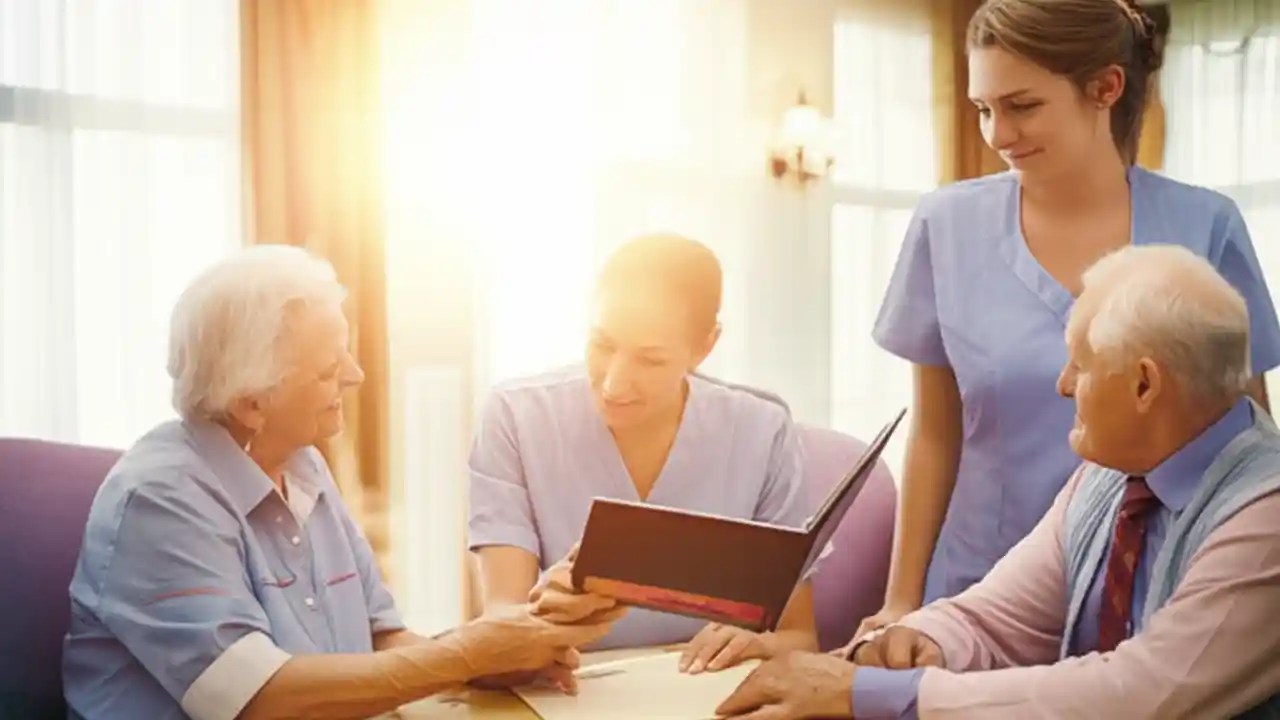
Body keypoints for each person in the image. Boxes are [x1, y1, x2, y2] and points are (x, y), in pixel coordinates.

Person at [860, 0, 1280, 639]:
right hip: (980, 594)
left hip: (1164, 592)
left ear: (1106, 88)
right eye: (983, 109)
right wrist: (901, 599)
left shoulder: (1206, 227)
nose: (999, 133)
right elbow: (936, 435)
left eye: (1022, 105)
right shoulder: (945, 227)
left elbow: (1248, 440)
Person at [715, 245, 1280, 719]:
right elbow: (1000, 615)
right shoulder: (1110, 478)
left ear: (1143, 385)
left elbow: (1139, 693)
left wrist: (865, 692)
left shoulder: (1266, 511)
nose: (1062, 385)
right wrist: (922, 640)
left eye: (1080, 366)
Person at [62, 245, 622, 720]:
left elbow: (380, 641)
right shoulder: (160, 501)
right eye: (329, 369)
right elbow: (256, 699)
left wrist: (499, 660)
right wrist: (466, 657)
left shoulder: (301, 464)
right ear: (253, 402)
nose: (354, 375)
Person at [468, 233, 819, 672]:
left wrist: (759, 646)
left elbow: (799, 639)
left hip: (703, 689)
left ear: (705, 346)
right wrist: (541, 620)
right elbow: (501, 623)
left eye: (650, 360)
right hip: (567, 691)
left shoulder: (761, 430)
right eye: (603, 345)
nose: (614, 384)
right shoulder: (515, 416)